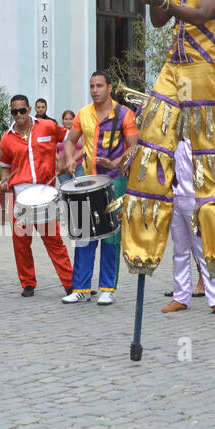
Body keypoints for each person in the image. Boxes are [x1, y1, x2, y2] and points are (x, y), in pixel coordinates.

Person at [122, 0, 215, 310]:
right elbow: (159, 21)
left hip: (199, 69)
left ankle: (214, 288)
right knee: (153, 129)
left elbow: (200, 15)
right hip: (173, 67)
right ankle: (148, 205)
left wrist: (164, 3)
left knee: (204, 147)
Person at [62, 72, 138, 304]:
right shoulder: (83, 114)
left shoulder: (125, 114)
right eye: (92, 86)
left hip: (115, 180)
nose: (95, 90)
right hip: (87, 179)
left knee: (110, 235)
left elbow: (134, 146)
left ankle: (107, 288)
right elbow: (70, 141)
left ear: (109, 88)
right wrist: (69, 158)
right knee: (84, 234)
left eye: (99, 86)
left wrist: (117, 162)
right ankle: (81, 288)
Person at [0, 94, 74, 297]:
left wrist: (65, 159)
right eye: (14, 112)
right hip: (20, 195)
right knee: (21, 242)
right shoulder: (7, 137)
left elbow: (70, 138)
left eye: (22, 110)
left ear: (29, 110)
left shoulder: (47, 126)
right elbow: (5, 166)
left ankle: (71, 283)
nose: (18, 115)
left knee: (53, 240)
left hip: (44, 193)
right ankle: (28, 283)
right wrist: (4, 181)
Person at [163, 134, 215, 314]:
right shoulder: (172, 138)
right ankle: (180, 297)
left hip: (195, 198)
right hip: (175, 197)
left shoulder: (202, 137)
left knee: (203, 249)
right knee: (179, 250)